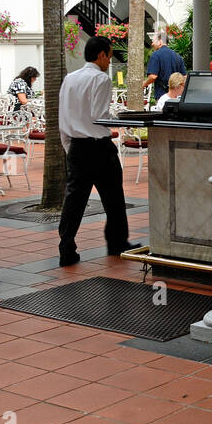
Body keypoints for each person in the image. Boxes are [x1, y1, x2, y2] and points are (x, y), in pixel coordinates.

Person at [57, 37, 135, 267]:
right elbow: (99, 116)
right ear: (101, 55)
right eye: (110, 55)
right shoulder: (101, 78)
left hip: (77, 146)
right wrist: (122, 120)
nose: (110, 60)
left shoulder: (70, 79)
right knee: (113, 197)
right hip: (99, 147)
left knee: (74, 200)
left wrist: (69, 146)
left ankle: (66, 247)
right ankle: (117, 243)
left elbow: (63, 117)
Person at [143, 30, 187, 104]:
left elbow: (153, 76)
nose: (152, 43)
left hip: (162, 96)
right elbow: (184, 77)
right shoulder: (177, 56)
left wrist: (144, 84)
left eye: (153, 41)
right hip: (177, 96)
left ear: (160, 41)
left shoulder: (155, 55)